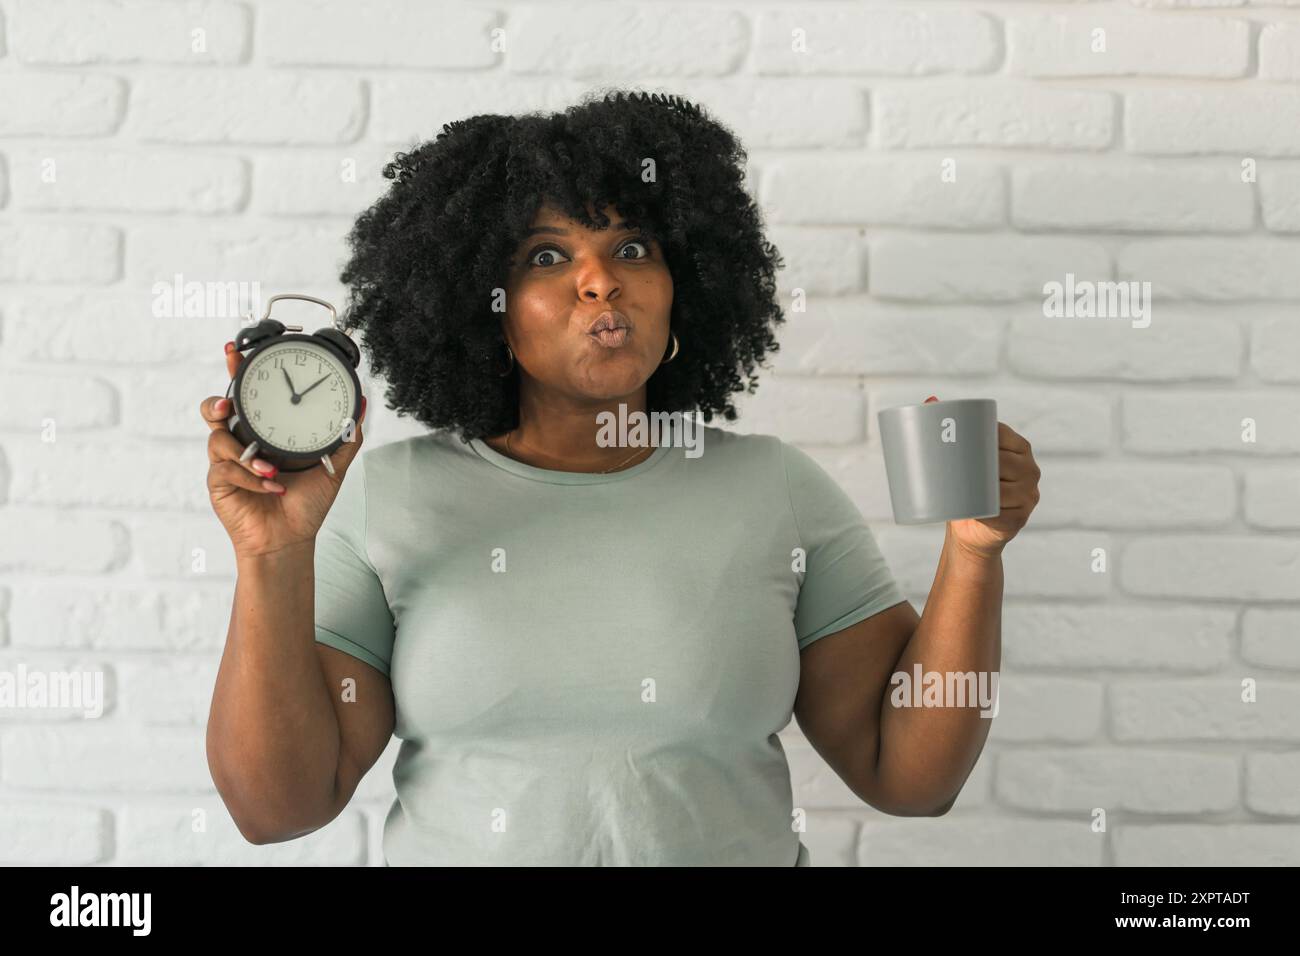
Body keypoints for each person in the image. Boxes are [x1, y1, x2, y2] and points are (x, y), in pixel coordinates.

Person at [202, 90, 1041, 866]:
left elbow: (910, 778)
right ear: (485, 305)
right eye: (546, 256)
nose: (600, 278)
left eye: (631, 248)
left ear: (685, 289)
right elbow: (277, 810)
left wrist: (974, 552)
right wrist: (271, 556)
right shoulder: (390, 499)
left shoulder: (774, 490)